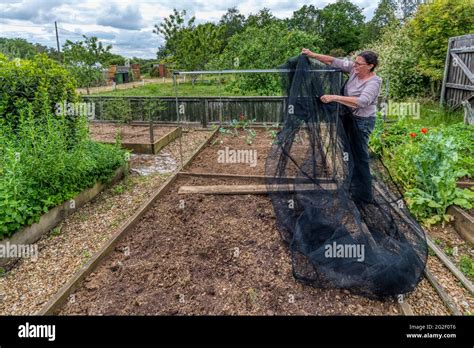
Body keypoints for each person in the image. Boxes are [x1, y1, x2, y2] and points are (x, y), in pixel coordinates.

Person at [301, 48, 382, 203]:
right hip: (348, 119)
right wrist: (312, 55)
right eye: (355, 63)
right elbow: (332, 61)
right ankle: (352, 185)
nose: (355, 66)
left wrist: (334, 97)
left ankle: (364, 194)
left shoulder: (374, 82)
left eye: (359, 64)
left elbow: (362, 102)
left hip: (362, 122)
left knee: (360, 156)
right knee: (348, 153)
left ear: (370, 66)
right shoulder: (353, 70)